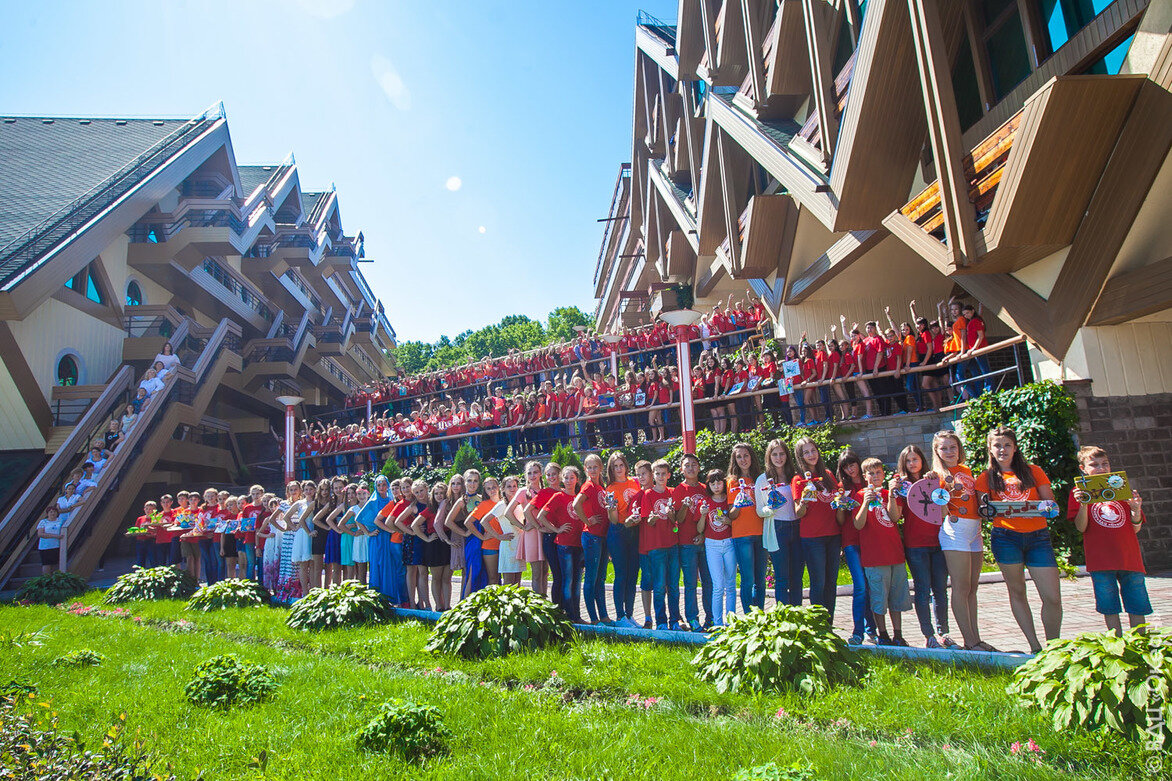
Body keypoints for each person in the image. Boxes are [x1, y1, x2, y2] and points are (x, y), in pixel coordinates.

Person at [975, 426, 1062, 653]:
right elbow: (982, 511)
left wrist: (1042, 508)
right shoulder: (985, 478)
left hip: (1038, 538)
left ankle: (1054, 647)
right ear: (990, 449)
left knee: (1052, 597)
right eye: (997, 445)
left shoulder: (1034, 471)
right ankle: (1035, 647)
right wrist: (992, 510)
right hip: (1005, 538)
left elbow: (1051, 505)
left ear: (1015, 447)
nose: (1002, 449)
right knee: (1017, 591)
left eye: (1006, 445)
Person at [1068, 445, 1151, 636]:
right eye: (1094, 464)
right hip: (1101, 561)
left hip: (1129, 558)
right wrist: (1083, 505)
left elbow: (1136, 527)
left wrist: (1136, 509)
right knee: (1109, 606)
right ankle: (1116, 645)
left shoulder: (1120, 487)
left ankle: (1140, 645)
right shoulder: (1079, 492)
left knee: (1138, 605)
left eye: (1105, 464)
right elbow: (1081, 527)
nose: (1101, 468)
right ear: (1083, 469)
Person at [929, 430, 991, 651]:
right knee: (961, 586)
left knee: (972, 588)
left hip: (975, 530)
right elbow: (937, 507)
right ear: (936, 451)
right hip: (955, 531)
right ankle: (970, 641)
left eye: (952, 447)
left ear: (959, 448)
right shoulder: (935, 475)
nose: (949, 452)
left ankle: (975, 638)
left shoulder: (966, 469)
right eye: (943, 448)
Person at [888, 445, 953, 648]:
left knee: (941, 589)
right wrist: (892, 492)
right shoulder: (902, 486)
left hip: (938, 542)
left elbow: (944, 512)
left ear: (922, 460)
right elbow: (895, 516)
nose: (912, 463)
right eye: (908, 460)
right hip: (915, 544)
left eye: (915, 459)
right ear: (903, 464)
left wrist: (939, 485)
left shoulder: (933, 481)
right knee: (923, 590)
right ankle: (929, 635)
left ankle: (944, 633)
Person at [853, 458, 912, 646]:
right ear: (864, 476)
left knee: (897, 597)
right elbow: (858, 524)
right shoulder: (860, 495)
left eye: (878, 472)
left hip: (894, 554)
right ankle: (883, 633)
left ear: (883, 474)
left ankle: (898, 633)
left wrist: (892, 496)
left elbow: (894, 517)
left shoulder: (889, 493)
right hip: (874, 557)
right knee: (879, 598)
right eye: (871, 473)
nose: (875, 476)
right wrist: (865, 503)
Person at [792, 437, 841, 619]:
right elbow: (799, 512)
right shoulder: (798, 480)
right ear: (800, 456)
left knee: (831, 583)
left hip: (834, 535)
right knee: (818, 583)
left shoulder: (828, 474)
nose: (811, 455)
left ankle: (829, 624)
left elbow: (836, 503)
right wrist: (804, 501)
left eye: (813, 450)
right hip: (813, 538)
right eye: (806, 452)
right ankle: (818, 626)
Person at [836, 450, 877, 645]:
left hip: (871, 538)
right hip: (851, 540)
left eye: (852, 464)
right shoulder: (842, 488)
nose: (850, 469)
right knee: (860, 586)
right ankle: (858, 631)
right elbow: (841, 520)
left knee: (871, 585)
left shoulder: (870, 482)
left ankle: (873, 629)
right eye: (845, 466)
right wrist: (841, 506)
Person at [635, 459, 678, 630]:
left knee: (673, 585)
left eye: (663, 474)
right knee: (659, 586)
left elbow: (675, 521)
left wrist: (672, 514)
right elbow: (648, 521)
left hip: (672, 544)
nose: (660, 477)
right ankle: (661, 622)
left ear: (668, 475)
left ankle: (674, 620)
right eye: (657, 474)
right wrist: (653, 519)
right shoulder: (648, 495)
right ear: (654, 475)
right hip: (656, 546)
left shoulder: (672, 493)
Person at [757, 439, 801, 607]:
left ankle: (797, 615)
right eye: (774, 454)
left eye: (782, 453)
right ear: (769, 456)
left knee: (797, 577)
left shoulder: (794, 476)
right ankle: (783, 617)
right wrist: (770, 509)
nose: (779, 457)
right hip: (777, 528)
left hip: (797, 527)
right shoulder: (763, 479)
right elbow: (759, 510)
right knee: (782, 577)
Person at [539, 465, 585, 623]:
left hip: (579, 544)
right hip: (564, 545)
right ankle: (568, 616)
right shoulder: (558, 496)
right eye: (566, 478)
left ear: (577, 479)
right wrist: (556, 529)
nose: (569, 481)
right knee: (568, 581)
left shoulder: (579, 496)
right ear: (562, 480)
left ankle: (577, 615)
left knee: (577, 581)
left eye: (572, 478)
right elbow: (541, 515)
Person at [603, 452, 642, 627]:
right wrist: (613, 512)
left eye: (621, 465)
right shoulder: (610, 488)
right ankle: (620, 616)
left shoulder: (635, 482)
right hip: (618, 531)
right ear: (611, 469)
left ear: (626, 466)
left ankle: (630, 614)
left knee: (633, 575)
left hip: (635, 531)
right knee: (621, 574)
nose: (619, 469)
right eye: (615, 466)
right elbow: (612, 519)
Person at [727, 443, 765, 612]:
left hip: (762, 533)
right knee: (748, 579)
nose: (743, 459)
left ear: (752, 457)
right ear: (735, 460)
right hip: (742, 536)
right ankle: (749, 616)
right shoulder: (731, 482)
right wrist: (738, 503)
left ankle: (761, 614)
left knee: (760, 579)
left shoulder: (760, 479)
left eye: (746, 455)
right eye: (739, 457)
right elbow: (731, 515)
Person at [574, 454, 611, 625]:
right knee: (591, 578)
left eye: (595, 467)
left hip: (602, 537)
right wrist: (587, 521)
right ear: (585, 469)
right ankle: (594, 618)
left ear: (601, 468)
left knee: (600, 578)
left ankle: (603, 615)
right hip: (592, 537)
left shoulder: (601, 487)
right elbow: (576, 504)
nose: (592, 470)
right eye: (589, 467)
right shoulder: (588, 486)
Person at [505, 460, 548, 596]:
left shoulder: (545, 491)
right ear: (525, 476)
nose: (532, 475)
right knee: (536, 573)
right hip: (532, 534)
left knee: (545, 572)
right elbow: (508, 512)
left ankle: (546, 603)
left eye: (535, 472)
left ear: (541, 474)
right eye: (529, 473)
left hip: (546, 532)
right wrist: (522, 526)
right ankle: (538, 604)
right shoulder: (523, 491)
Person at [485, 476, 523, 585]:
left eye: (514, 486)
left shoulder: (518, 504)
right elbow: (484, 521)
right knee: (509, 583)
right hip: (508, 546)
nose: (512, 489)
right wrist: (498, 536)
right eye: (509, 486)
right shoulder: (502, 505)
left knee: (517, 582)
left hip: (519, 545)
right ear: (503, 489)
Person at [36, 505, 65, 574]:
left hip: (57, 546)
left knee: (56, 564)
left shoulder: (61, 521)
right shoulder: (43, 522)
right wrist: (55, 536)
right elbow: (40, 534)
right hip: (45, 547)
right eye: (50, 512)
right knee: (46, 564)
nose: (52, 513)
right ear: (47, 513)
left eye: (54, 511)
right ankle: (47, 581)